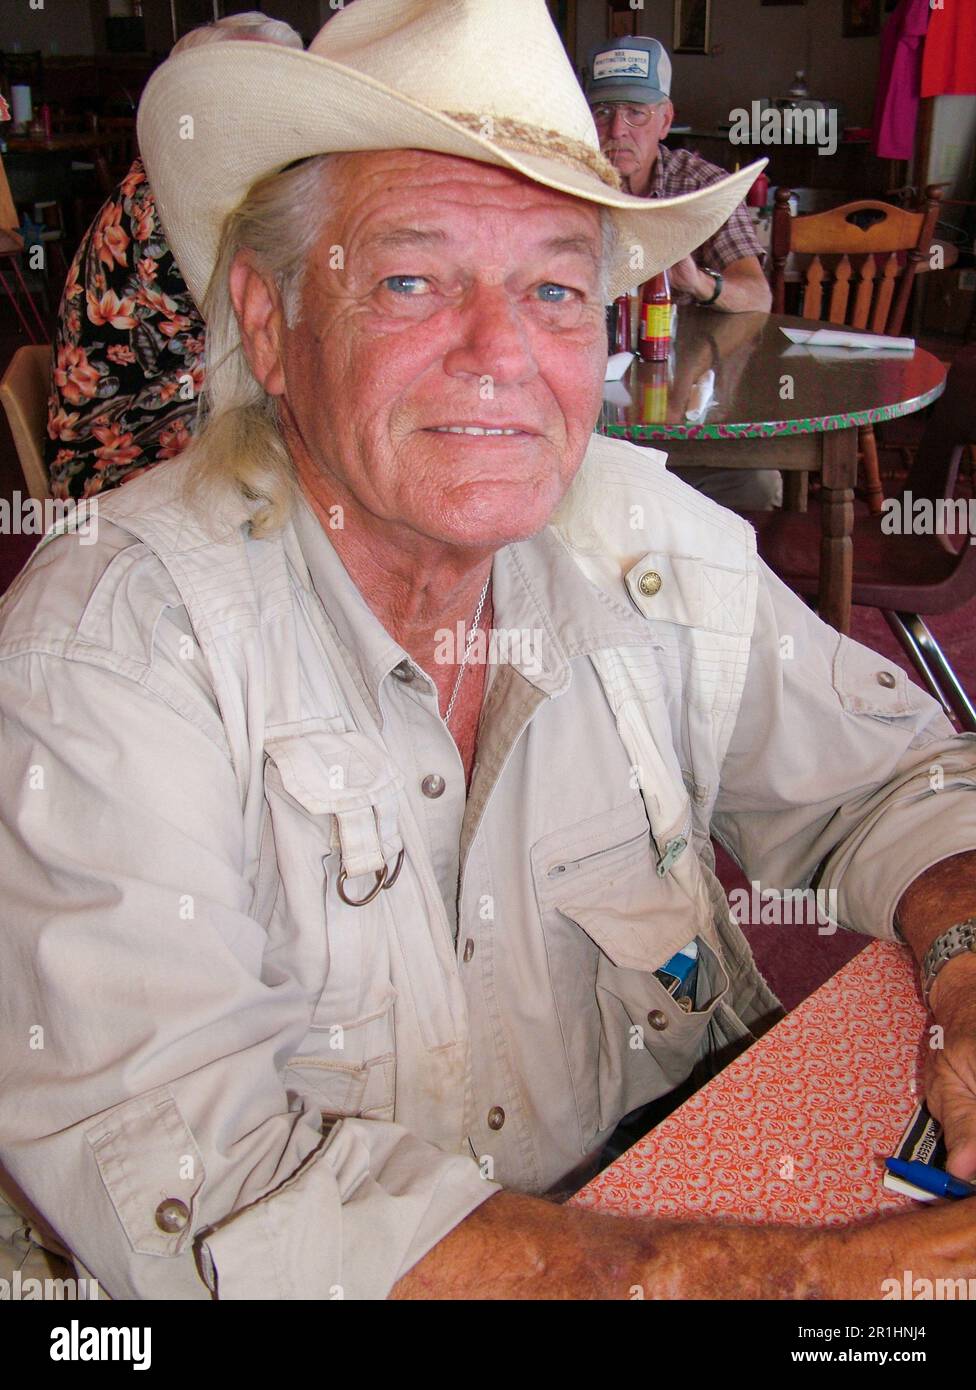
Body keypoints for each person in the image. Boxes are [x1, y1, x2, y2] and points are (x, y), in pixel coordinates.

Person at [0, 0, 974, 1301]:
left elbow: (893, 783)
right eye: (411, 279)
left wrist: (966, 962)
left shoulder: (639, 537)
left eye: (556, 289)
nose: (502, 354)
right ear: (272, 320)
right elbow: (211, 1194)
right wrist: (791, 1283)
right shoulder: (108, 651)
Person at [43, 12, 303, 502]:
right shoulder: (171, 207)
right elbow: (277, 339)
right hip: (124, 472)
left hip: (188, 431)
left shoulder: (190, 181)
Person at [586, 34, 780, 510]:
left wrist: (697, 281)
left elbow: (758, 296)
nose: (617, 130)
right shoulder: (564, 184)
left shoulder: (702, 186)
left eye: (637, 113)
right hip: (583, 400)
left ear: (665, 119)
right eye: (603, 111)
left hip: (675, 398)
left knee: (757, 482)